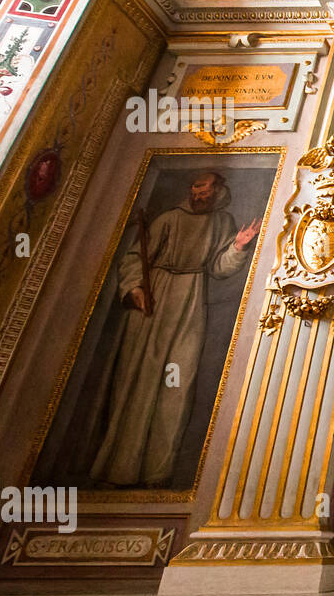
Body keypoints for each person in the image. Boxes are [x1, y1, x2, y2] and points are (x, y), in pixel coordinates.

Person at [89, 172, 261, 487]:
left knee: (177, 386)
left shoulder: (221, 223)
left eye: (207, 191)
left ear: (217, 192)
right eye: (196, 189)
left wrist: (237, 246)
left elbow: (218, 268)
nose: (201, 196)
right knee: (138, 379)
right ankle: (120, 469)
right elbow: (133, 259)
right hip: (154, 299)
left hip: (190, 304)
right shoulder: (168, 219)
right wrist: (134, 288)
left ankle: (157, 471)